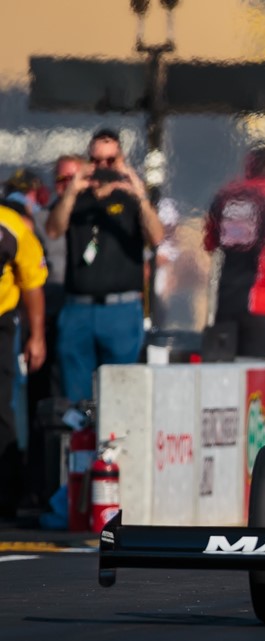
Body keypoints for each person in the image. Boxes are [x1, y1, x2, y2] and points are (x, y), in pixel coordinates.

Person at [46, 129, 164, 402]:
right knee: (77, 396)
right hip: (79, 308)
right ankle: (79, 443)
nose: (103, 168)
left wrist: (139, 194)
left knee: (119, 396)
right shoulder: (76, 200)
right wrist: (74, 188)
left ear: (121, 160)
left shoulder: (130, 199)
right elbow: (53, 230)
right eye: (96, 160)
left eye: (110, 161)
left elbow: (157, 237)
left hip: (120, 309)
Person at [204, 143, 265, 358]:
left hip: (226, 306)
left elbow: (211, 244)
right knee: (260, 386)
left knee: (223, 381)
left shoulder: (225, 197)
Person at [0, 193, 49, 518]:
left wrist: (37, 336)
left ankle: (5, 496)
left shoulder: (11, 224)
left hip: (1, 322)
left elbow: (32, 283)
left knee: (2, 408)